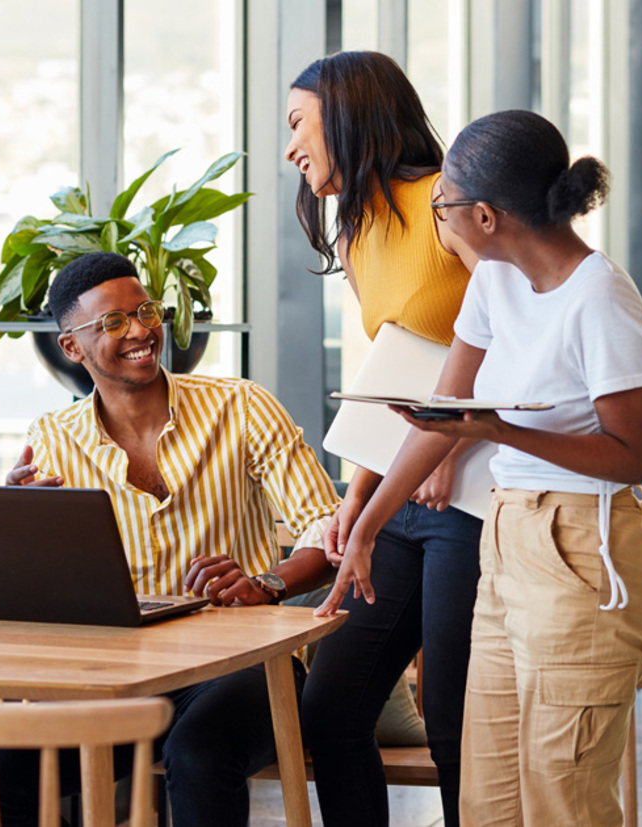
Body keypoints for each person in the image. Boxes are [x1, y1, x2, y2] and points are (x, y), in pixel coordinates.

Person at [320, 110, 642, 826]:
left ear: (484, 216)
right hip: (508, 537)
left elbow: (634, 456)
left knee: (562, 795)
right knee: (490, 792)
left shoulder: (601, 297)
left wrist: (501, 430)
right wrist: (367, 524)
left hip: (582, 546)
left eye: (442, 203)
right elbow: (446, 411)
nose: (438, 217)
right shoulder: (495, 282)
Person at [0, 251, 341, 827]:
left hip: (243, 669)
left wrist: (266, 583)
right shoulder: (51, 440)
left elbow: (329, 530)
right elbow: (35, 589)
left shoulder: (241, 406)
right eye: (114, 322)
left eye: (146, 312)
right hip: (118, 677)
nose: (141, 331)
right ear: (72, 347)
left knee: (199, 755)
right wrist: (17, 525)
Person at [283, 50, 481, 827]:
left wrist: (452, 442)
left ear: (347, 114)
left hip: (472, 496)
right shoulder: (358, 231)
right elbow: (391, 369)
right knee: (332, 708)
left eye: (298, 124)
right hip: (399, 498)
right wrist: (354, 499)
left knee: (455, 724)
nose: (291, 149)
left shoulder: (447, 203)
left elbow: (513, 331)